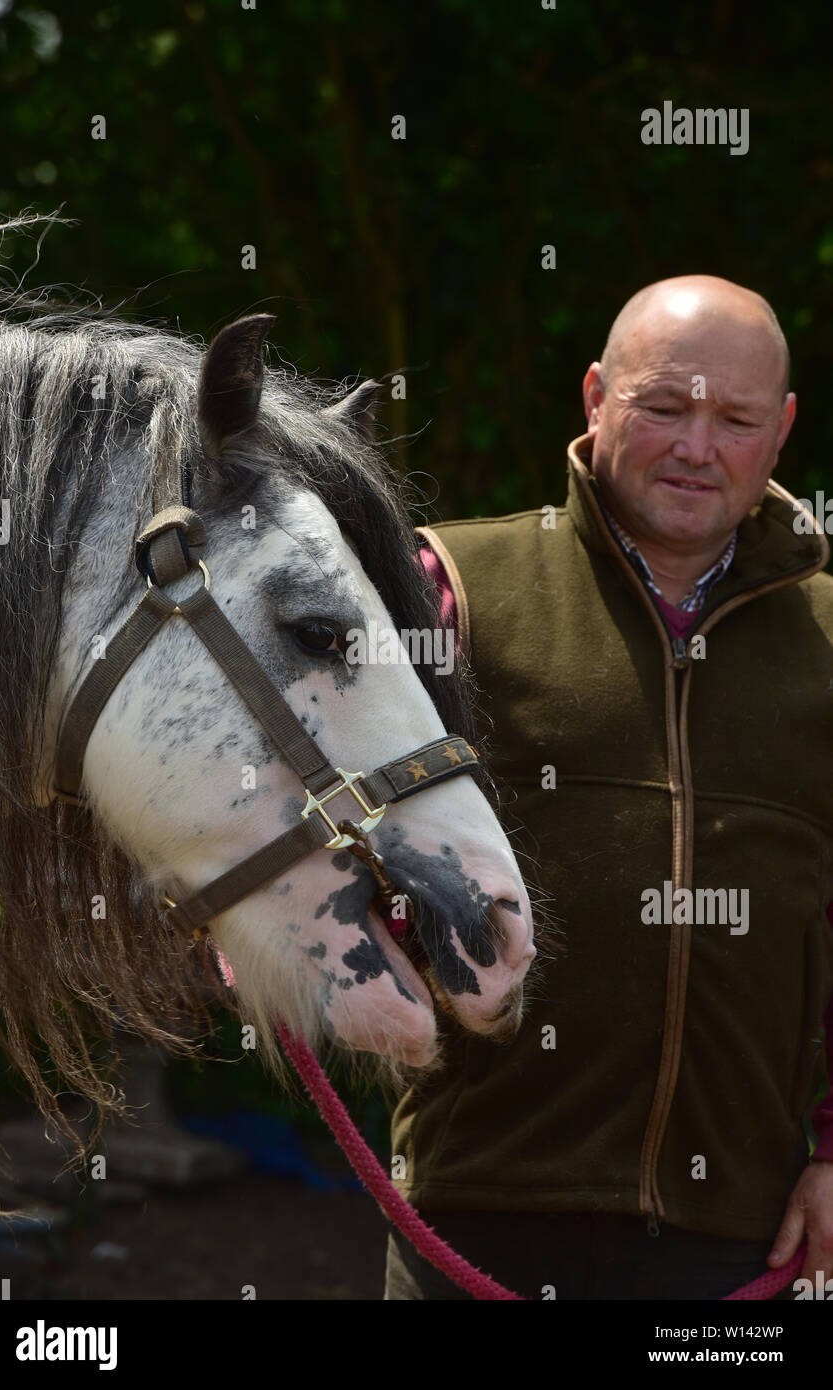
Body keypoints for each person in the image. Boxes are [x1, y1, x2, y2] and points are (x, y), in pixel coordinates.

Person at [385, 275, 833, 1300]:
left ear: (784, 430)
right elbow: (330, 834)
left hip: (735, 1233)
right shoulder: (448, 587)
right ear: (595, 397)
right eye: (664, 406)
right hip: (474, 1204)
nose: (697, 445)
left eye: (736, 419)